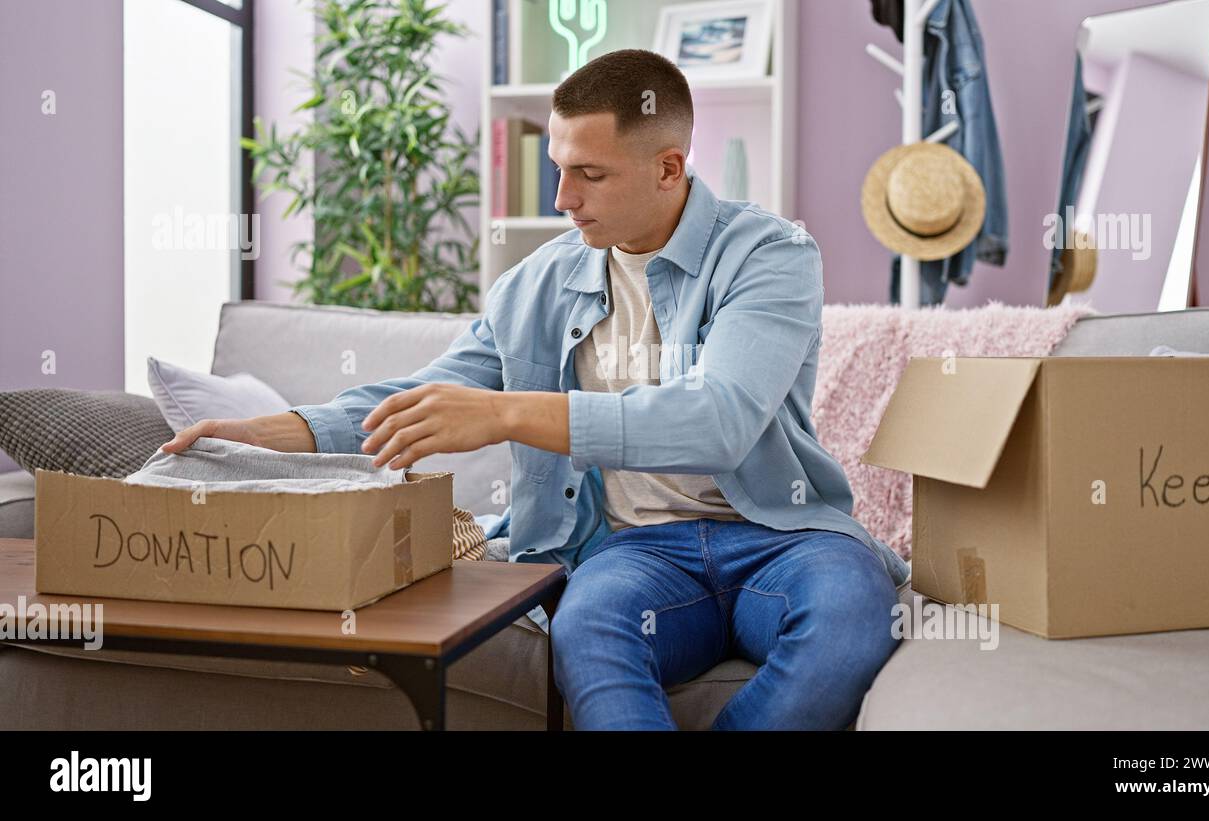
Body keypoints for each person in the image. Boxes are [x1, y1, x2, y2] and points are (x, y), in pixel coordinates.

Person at [163, 48, 910, 731]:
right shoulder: (539, 284)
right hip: (637, 549)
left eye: (590, 173)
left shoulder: (769, 256)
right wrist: (277, 431)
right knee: (587, 630)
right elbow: (431, 391)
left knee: (851, 618)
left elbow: (719, 418)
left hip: (781, 536)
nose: (561, 196)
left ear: (668, 167)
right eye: (559, 167)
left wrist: (505, 413)